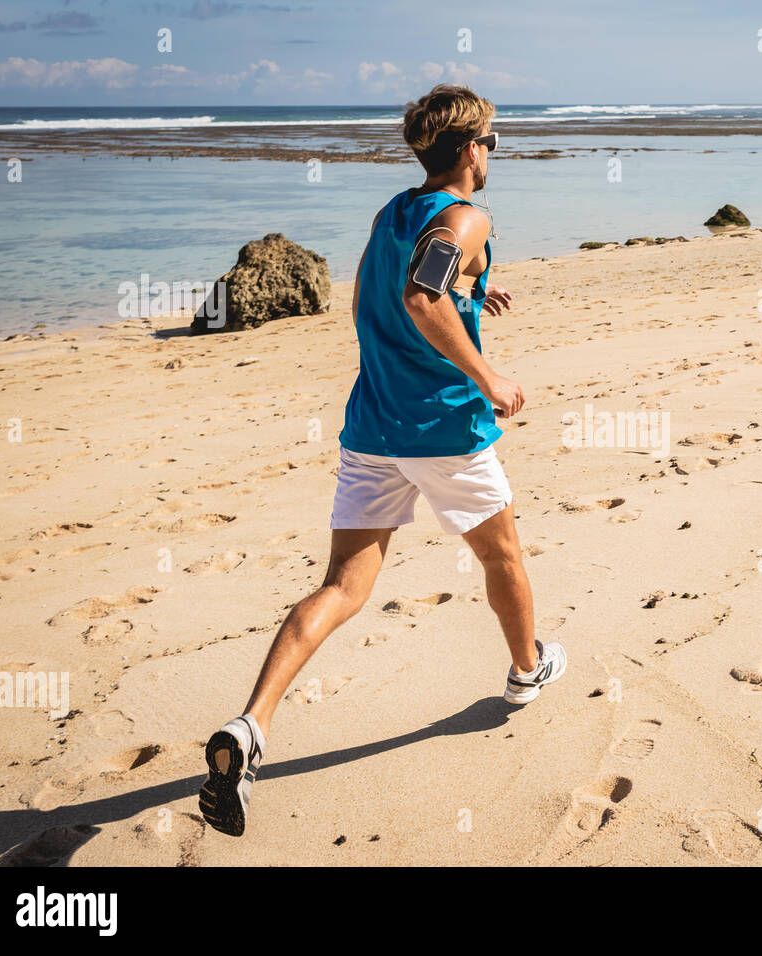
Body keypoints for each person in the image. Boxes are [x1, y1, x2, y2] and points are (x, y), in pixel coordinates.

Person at [199, 84, 565, 838]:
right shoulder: (468, 216)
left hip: (373, 427)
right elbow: (423, 297)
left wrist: (475, 287)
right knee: (503, 557)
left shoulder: (394, 211)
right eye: (492, 141)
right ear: (469, 149)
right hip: (445, 429)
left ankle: (249, 727)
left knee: (340, 586)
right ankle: (528, 670)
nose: (494, 152)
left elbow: (383, 293)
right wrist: (485, 374)